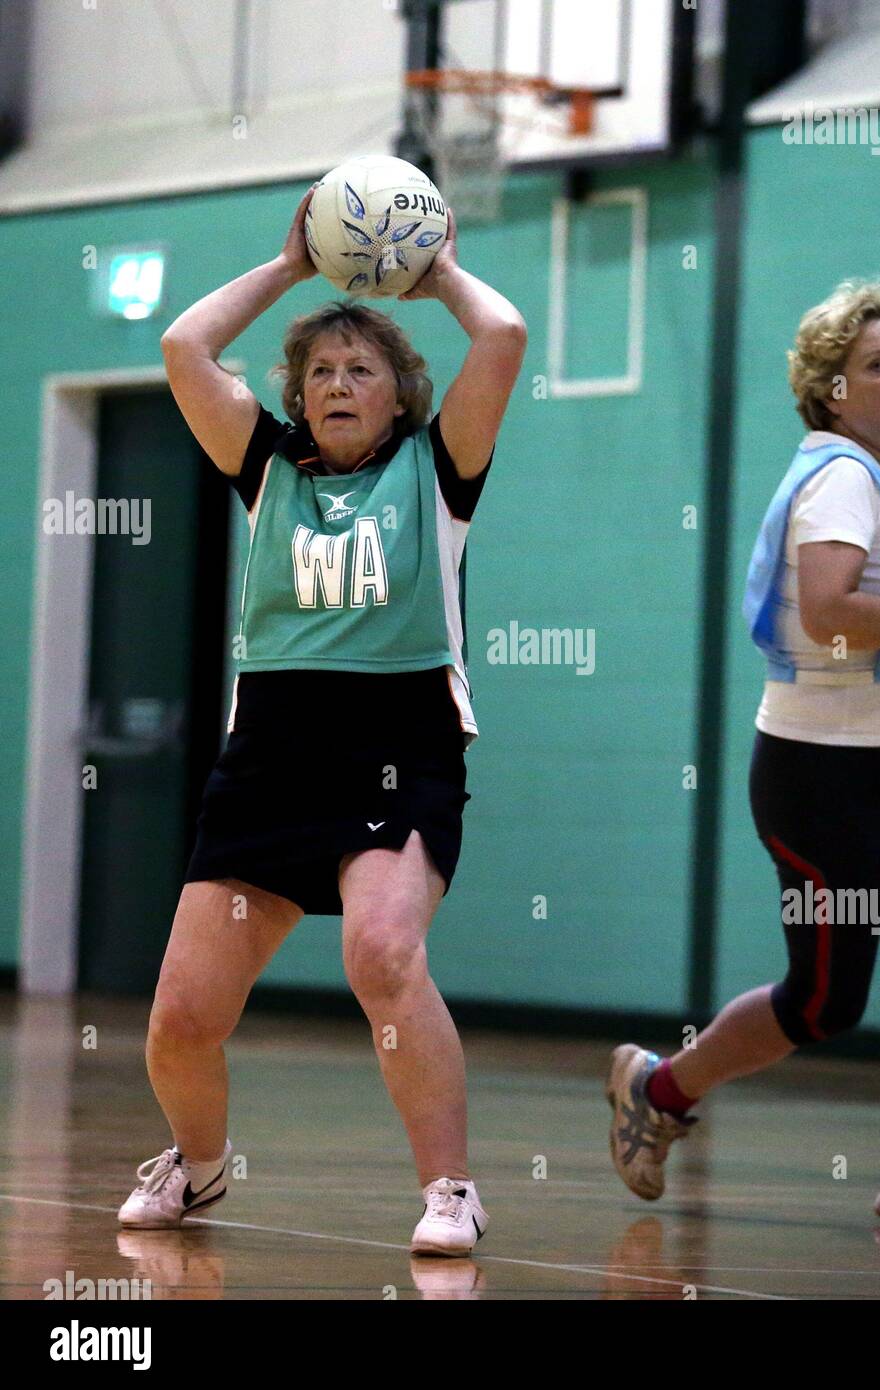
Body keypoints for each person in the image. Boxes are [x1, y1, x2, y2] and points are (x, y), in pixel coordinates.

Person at [117, 186, 527, 1256]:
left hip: (399, 754)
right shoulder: (268, 469)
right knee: (180, 1024)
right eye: (320, 373)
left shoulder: (436, 471)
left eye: (363, 370)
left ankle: (449, 1189)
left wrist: (428, 267)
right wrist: (293, 265)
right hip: (269, 764)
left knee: (382, 955)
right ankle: (198, 1169)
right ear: (296, 394)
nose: (339, 384)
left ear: (400, 396)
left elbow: (504, 332)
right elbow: (182, 343)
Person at [606, 279, 880, 1227]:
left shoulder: (874, 476)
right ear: (832, 391)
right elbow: (828, 614)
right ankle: (660, 1090)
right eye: (877, 364)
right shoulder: (840, 476)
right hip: (822, 785)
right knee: (826, 1001)